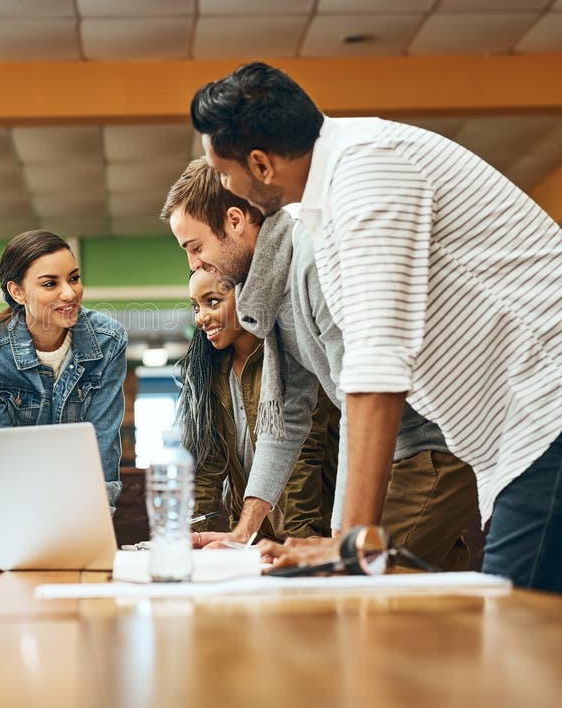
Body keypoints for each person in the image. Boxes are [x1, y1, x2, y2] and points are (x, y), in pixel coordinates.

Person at [190, 61, 562, 591]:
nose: (227, 188)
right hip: (523, 427)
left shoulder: (366, 172)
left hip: (547, 407)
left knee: (516, 625)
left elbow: (375, 359)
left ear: (260, 164)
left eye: (225, 174)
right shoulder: (330, 198)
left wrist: (352, 538)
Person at [162, 158, 479, 571]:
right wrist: (243, 532)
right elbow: (286, 420)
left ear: (235, 220)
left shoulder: (313, 260)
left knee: (352, 583)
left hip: (431, 448)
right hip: (397, 452)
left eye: (195, 247)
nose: (194, 265)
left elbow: (359, 400)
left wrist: (339, 540)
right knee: (430, 607)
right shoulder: (272, 290)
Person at [0, 230, 127, 508]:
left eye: (74, 278)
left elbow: (103, 441)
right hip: (14, 507)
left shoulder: (109, 340)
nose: (70, 293)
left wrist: (93, 515)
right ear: (17, 292)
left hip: (85, 504)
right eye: (50, 284)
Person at [180, 267, 337, 543]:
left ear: (248, 294)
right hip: (251, 536)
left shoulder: (291, 357)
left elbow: (304, 454)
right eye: (196, 306)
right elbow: (209, 465)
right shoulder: (210, 372)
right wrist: (188, 536)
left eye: (213, 301)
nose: (201, 317)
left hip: (309, 535)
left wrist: (301, 537)